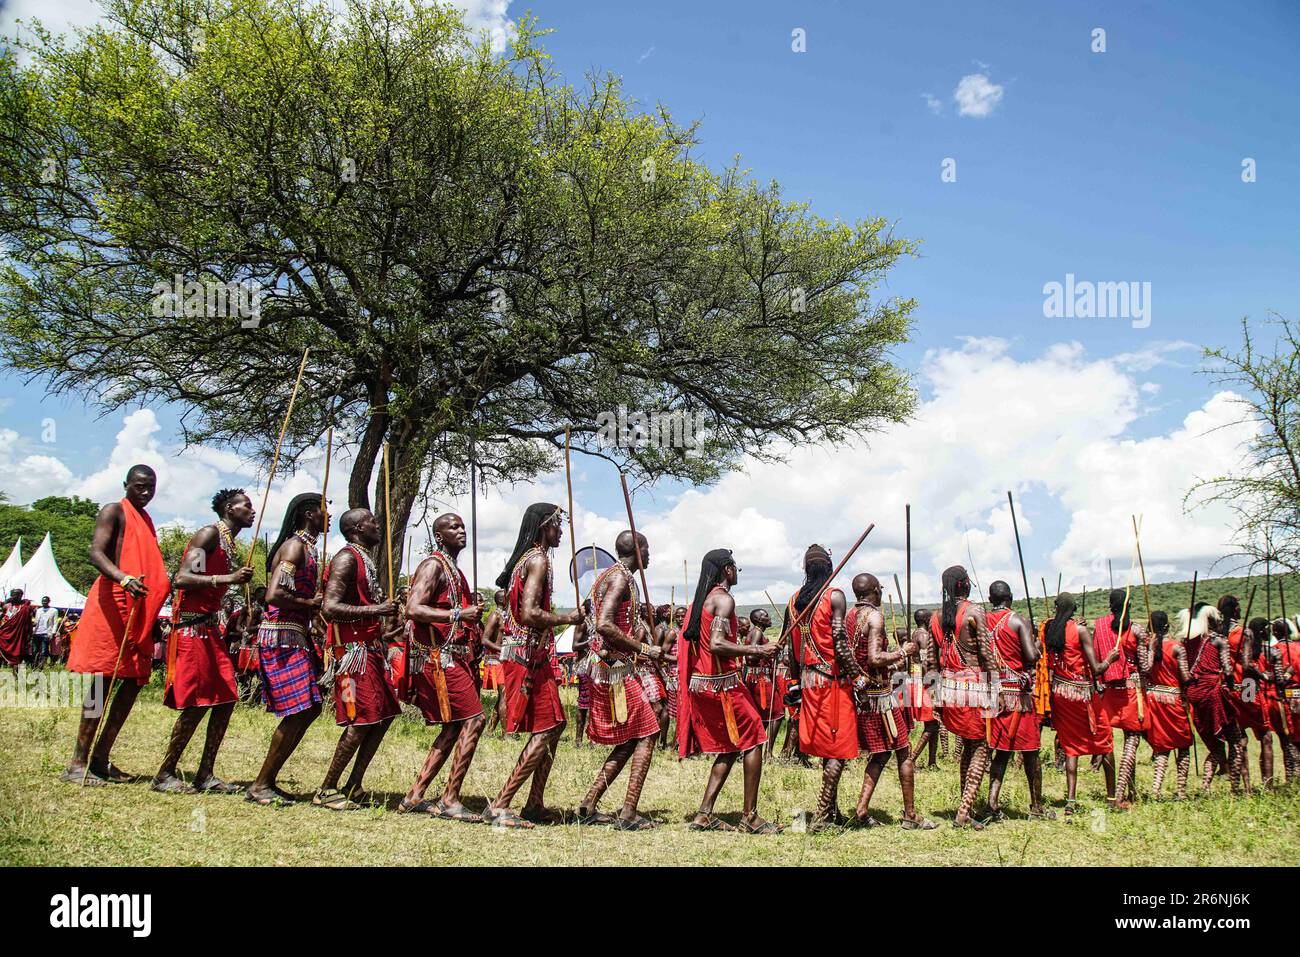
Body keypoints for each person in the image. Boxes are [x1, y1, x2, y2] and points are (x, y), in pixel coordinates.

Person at [63, 465, 168, 785]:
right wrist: (123, 578)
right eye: (140, 486)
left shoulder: (147, 521)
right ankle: (77, 763)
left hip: (138, 609)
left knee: (135, 680)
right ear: (126, 485)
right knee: (101, 683)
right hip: (113, 604)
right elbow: (96, 553)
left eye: (151, 487)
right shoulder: (114, 511)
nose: (146, 492)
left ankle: (101, 758)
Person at [483, 504, 583, 828]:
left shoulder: (531, 560)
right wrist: (568, 617)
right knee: (547, 728)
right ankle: (500, 805)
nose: (561, 531)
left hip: (532, 655)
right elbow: (528, 613)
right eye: (557, 525)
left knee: (556, 725)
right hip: (525, 656)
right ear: (543, 526)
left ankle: (534, 803)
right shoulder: (537, 560)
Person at [153, 488, 255, 794]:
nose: (252, 511)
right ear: (228, 508)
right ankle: (164, 774)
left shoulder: (229, 543)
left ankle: (205, 773)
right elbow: (182, 578)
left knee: (226, 698)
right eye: (245, 506)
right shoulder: (209, 535)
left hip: (210, 630)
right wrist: (227, 579)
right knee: (198, 703)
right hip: (191, 628)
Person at [678, 548, 779, 833]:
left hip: (706, 684)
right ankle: (750, 816)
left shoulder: (706, 599)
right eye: (735, 567)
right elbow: (717, 644)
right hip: (721, 686)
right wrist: (757, 649)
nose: (737, 572)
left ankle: (704, 814)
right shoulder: (723, 599)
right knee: (755, 738)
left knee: (733, 746)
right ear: (727, 570)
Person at [398, 512, 487, 821]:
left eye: (463, 526)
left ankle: (415, 795)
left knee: (455, 725)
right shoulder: (433, 566)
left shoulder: (452, 569)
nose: (461, 531)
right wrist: (458, 615)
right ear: (439, 536)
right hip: (439, 658)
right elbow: (412, 609)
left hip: (453, 656)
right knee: (475, 720)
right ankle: (450, 798)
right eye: (453, 527)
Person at [574, 530, 665, 829]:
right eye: (648, 548)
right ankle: (627, 813)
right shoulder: (620, 577)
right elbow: (604, 625)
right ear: (637, 549)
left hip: (613, 666)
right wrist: (644, 648)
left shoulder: (613, 575)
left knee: (630, 740)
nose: (650, 554)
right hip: (613, 669)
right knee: (650, 732)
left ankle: (588, 804)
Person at [316, 507, 402, 810]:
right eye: (372, 522)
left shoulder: (364, 559)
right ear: (355, 529)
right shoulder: (346, 558)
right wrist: (376, 611)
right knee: (361, 718)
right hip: (351, 653)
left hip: (370, 648)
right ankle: (327, 789)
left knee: (385, 714)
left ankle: (354, 784)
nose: (377, 526)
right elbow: (329, 607)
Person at [246, 492, 326, 805]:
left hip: (295, 633)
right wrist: (310, 603)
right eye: (323, 510)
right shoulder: (295, 546)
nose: (328, 517)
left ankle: (266, 781)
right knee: (303, 707)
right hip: (280, 635)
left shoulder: (308, 548)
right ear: (309, 514)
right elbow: (274, 594)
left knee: (310, 707)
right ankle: (260, 784)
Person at [849, 573, 934, 829]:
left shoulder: (850, 616)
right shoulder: (874, 616)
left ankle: (862, 809)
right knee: (904, 752)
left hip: (864, 695)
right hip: (880, 697)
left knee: (881, 754)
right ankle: (910, 815)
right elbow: (874, 658)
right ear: (875, 590)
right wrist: (902, 652)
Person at [785, 544, 857, 827]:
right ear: (829, 568)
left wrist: (794, 684)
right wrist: (858, 676)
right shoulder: (833, 595)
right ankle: (822, 816)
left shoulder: (793, 601)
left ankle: (833, 812)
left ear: (806, 569)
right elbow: (840, 641)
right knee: (838, 749)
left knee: (829, 749)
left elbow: (791, 652)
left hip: (808, 681)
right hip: (832, 683)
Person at [932, 565, 1000, 828]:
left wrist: (934, 694)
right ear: (963, 584)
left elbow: (931, 659)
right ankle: (963, 811)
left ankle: (966, 805)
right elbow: (986, 653)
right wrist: (997, 689)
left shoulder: (937, 616)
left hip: (949, 688)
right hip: (973, 689)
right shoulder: (974, 611)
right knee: (981, 747)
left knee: (969, 746)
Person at [1045, 592, 1117, 812]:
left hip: (1060, 694)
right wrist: (1110, 659)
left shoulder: (1049, 630)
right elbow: (1096, 669)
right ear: (1074, 610)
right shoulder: (1080, 630)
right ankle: (1112, 799)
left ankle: (1071, 800)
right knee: (1105, 741)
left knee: (1070, 746)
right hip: (1082, 695)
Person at [984, 581, 1050, 819]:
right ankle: (1037, 807)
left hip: (993, 693)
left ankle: (992, 803)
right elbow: (1031, 657)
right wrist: (1038, 645)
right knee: (1031, 751)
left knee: (1001, 751)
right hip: (1017, 696)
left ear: (991, 599)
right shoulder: (1017, 620)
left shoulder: (982, 621)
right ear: (1010, 597)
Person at [1183, 602, 1247, 795]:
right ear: (1211, 620)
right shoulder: (1218, 640)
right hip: (1213, 693)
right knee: (1235, 740)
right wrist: (1232, 683)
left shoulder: (1187, 641)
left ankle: (1205, 786)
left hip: (1194, 694)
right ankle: (1235, 787)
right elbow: (1228, 670)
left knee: (1217, 745)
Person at [1093, 589, 1149, 807]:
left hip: (1110, 689)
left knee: (1119, 740)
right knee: (1131, 740)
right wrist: (1152, 649)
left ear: (1110, 606)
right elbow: (1145, 666)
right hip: (1132, 691)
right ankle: (1117, 793)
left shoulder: (1101, 627)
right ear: (1129, 606)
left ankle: (1131, 791)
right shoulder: (1136, 629)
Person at [1142, 610, 1194, 800]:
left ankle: (1156, 789)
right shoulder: (1176, 647)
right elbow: (1186, 677)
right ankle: (1181, 791)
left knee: (1162, 746)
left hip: (1154, 699)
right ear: (1166, 626)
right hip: (1173, 699)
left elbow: (1145, 670)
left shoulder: (1149, 646)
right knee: (1184, 744)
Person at [1225, 604, 1274, 786]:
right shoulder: (1242, 632)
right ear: (1235, 610)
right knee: (1265, 734)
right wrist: (1264, 675)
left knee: (1240, 736)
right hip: (1247, 686)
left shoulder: (1219, 633)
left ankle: (1246, 787)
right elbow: (1247, 665)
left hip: (1230, 687)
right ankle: (1268, 785)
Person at [907, 607, 947, 769]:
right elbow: (925, 662)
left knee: (934, 724)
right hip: (923, 683)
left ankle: (932, 762)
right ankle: (912, 759)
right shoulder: (923, 635)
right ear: (926, 621)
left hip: (919, 681)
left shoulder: (917, 633)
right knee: (932, 725)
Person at [742, 608, 783, 754]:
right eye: (766, 615)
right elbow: (751, 655)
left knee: (762, 716)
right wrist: (767, 652)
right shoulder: (757, 632)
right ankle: (767, 753)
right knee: (777, 714)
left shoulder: (755, 632)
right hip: (760, 679)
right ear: (759, 620)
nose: (769, 617)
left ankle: (754, 749)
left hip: (756, 679)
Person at [1264, 617, 1298, 782]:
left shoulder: (1273, 651)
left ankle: (1292, 776)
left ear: (1276, 633)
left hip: (1284, 698)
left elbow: (1272, 678)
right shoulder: (1298, 648)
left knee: (1287, 740)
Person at [0, 588, 33, 668]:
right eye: (13, 595)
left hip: (19, 634)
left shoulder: (26, 608)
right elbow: (2, 618)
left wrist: (29, 633)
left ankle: (16, 673)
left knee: (17, 654)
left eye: (16, 595)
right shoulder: (6, 606)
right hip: (6, 633)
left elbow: (29, 622)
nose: (14, 596)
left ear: (21, 595)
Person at [31, 596, 58, 669]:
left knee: (44, 651)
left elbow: (55, 623)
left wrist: (53, 633)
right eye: (43, 601)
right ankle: (34, 664)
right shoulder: (38, 610)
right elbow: (36, 621)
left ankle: (41, 666)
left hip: (46, 633)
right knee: (34, 650)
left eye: (45, 601)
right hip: (37, 632)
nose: (44, 602)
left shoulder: (54, 610)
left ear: (49, 601)